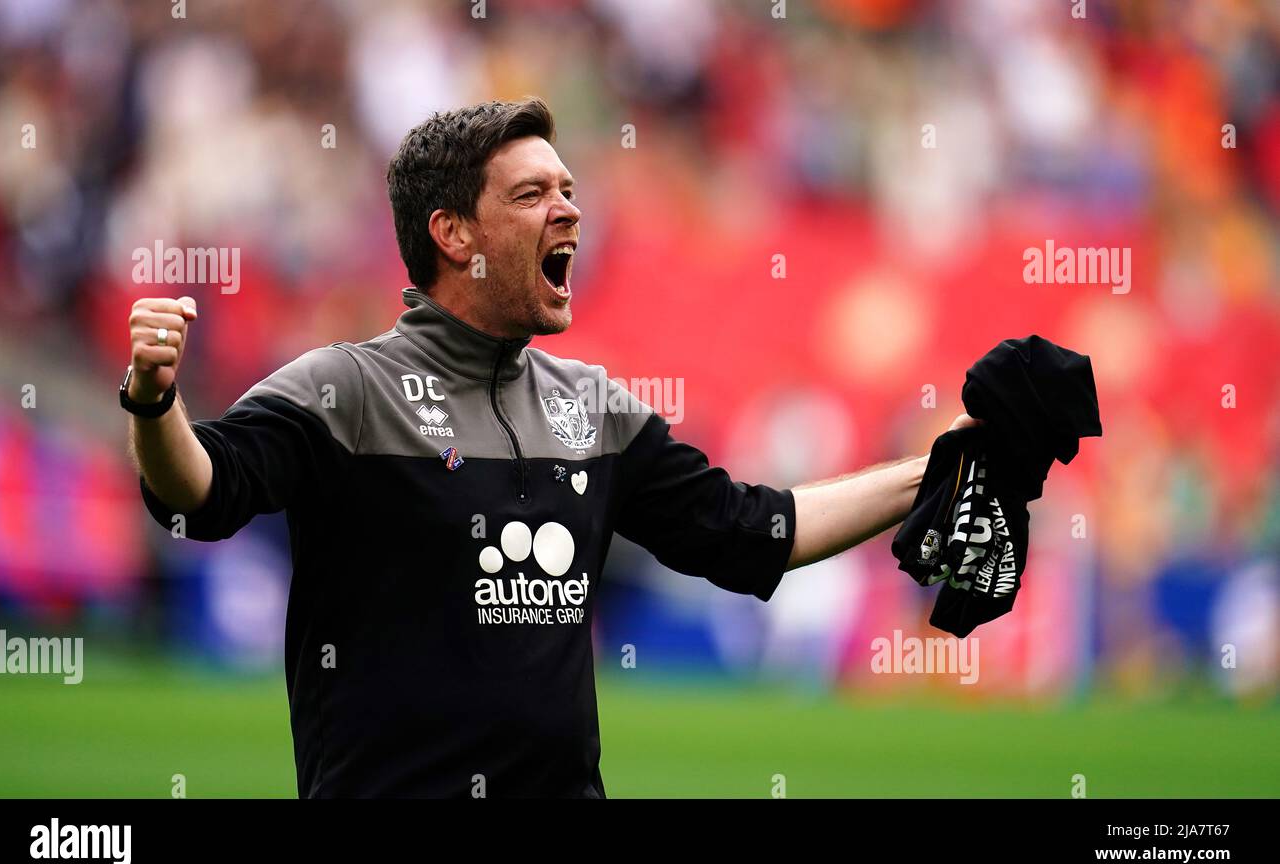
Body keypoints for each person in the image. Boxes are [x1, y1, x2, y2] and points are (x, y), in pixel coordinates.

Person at [121, 97, 978, 798]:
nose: (569, 209)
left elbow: (750, 529)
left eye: (567, 189)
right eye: (532, 195)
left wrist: (942, 467)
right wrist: (154, 402)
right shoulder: (342, 390)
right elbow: (201, 490)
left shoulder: (595, 409)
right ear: (453, 234)